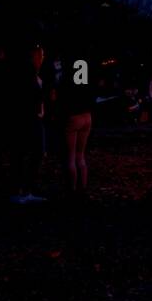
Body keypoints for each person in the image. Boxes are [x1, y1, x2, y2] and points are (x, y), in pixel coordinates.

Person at [10, 45, 48, 204]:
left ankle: (24, 188)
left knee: (29, 154)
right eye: (42, 56)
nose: (43, 58)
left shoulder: (34, 75)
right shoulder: (29, 76)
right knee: (34, 153)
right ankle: (25, 189)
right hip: (29, 119)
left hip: (31, 118)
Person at [57, 55, 95, 197]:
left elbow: (62, 90)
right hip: (87, 114)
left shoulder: (68, 66)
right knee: (81, 156)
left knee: (71, 157)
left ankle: (71, 190)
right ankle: (83, 188)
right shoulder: (86, 63)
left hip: (73, 114)